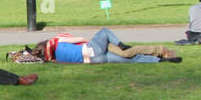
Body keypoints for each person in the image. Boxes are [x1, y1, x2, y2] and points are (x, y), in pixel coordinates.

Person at [44, 29, 180, 63]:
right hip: (95, 48)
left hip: (96, 59)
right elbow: (81, 39)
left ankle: (161, 57)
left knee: (129, 57)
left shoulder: (57, 59)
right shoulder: (59, 40)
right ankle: (161, 53)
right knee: (127, 53)